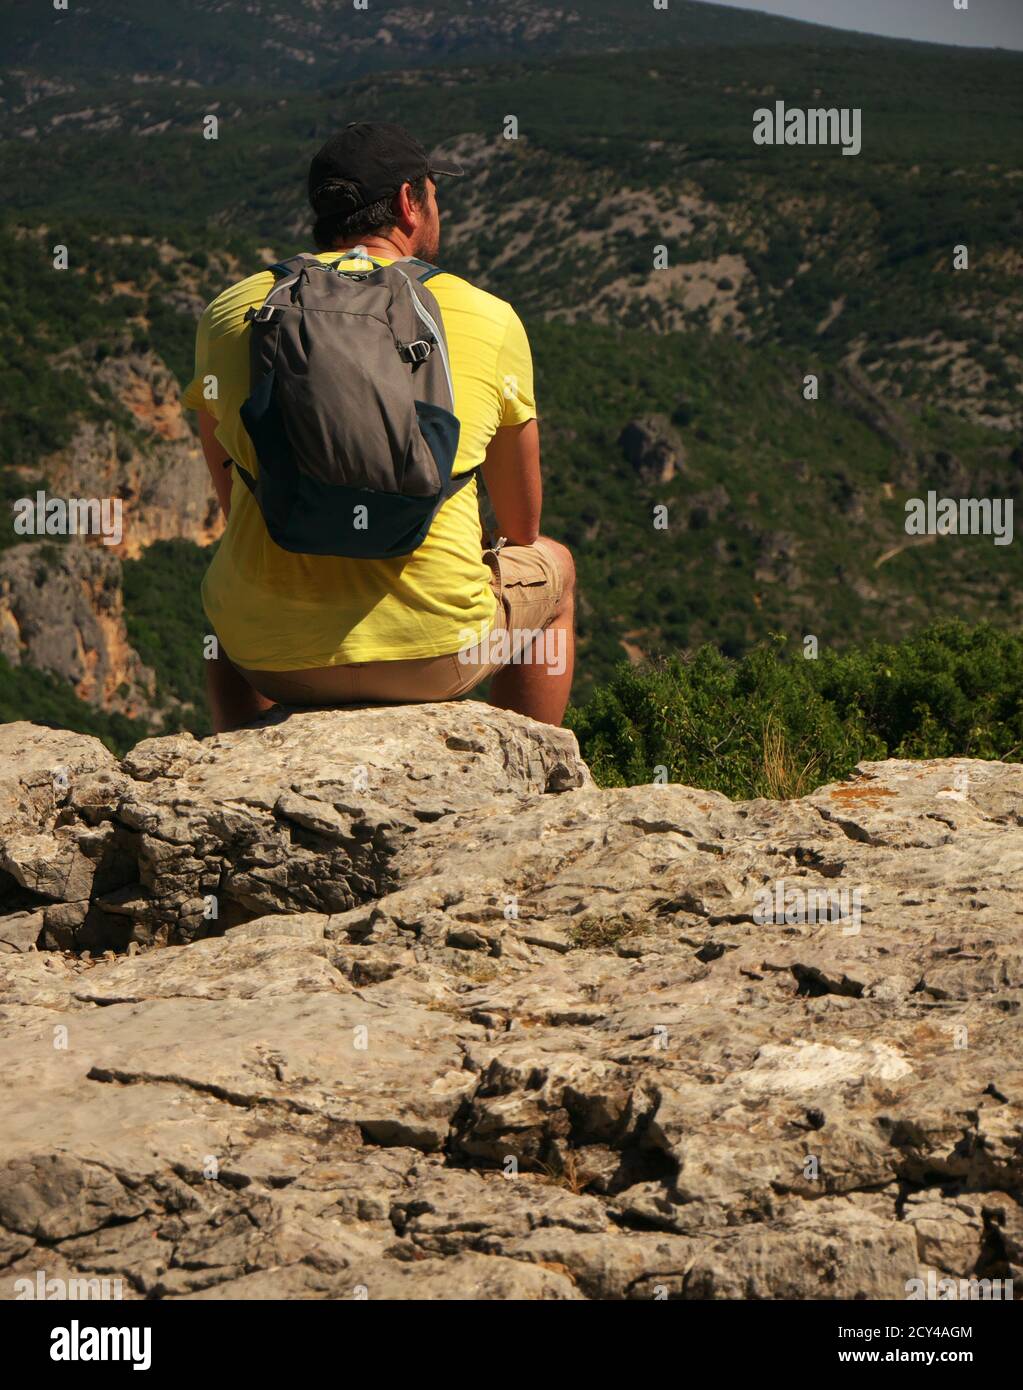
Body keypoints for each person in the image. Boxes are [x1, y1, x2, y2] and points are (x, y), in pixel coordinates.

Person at [183, 121, 575, 733]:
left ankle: (240, 763)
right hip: (439, 653)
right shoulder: (490, 316)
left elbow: (234, 504)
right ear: (406, 203)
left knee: (231, 580)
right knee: (556, 565)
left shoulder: (228, 313)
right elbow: (523, 524)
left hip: (266, 657)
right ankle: (536, 775)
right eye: (433, 193)